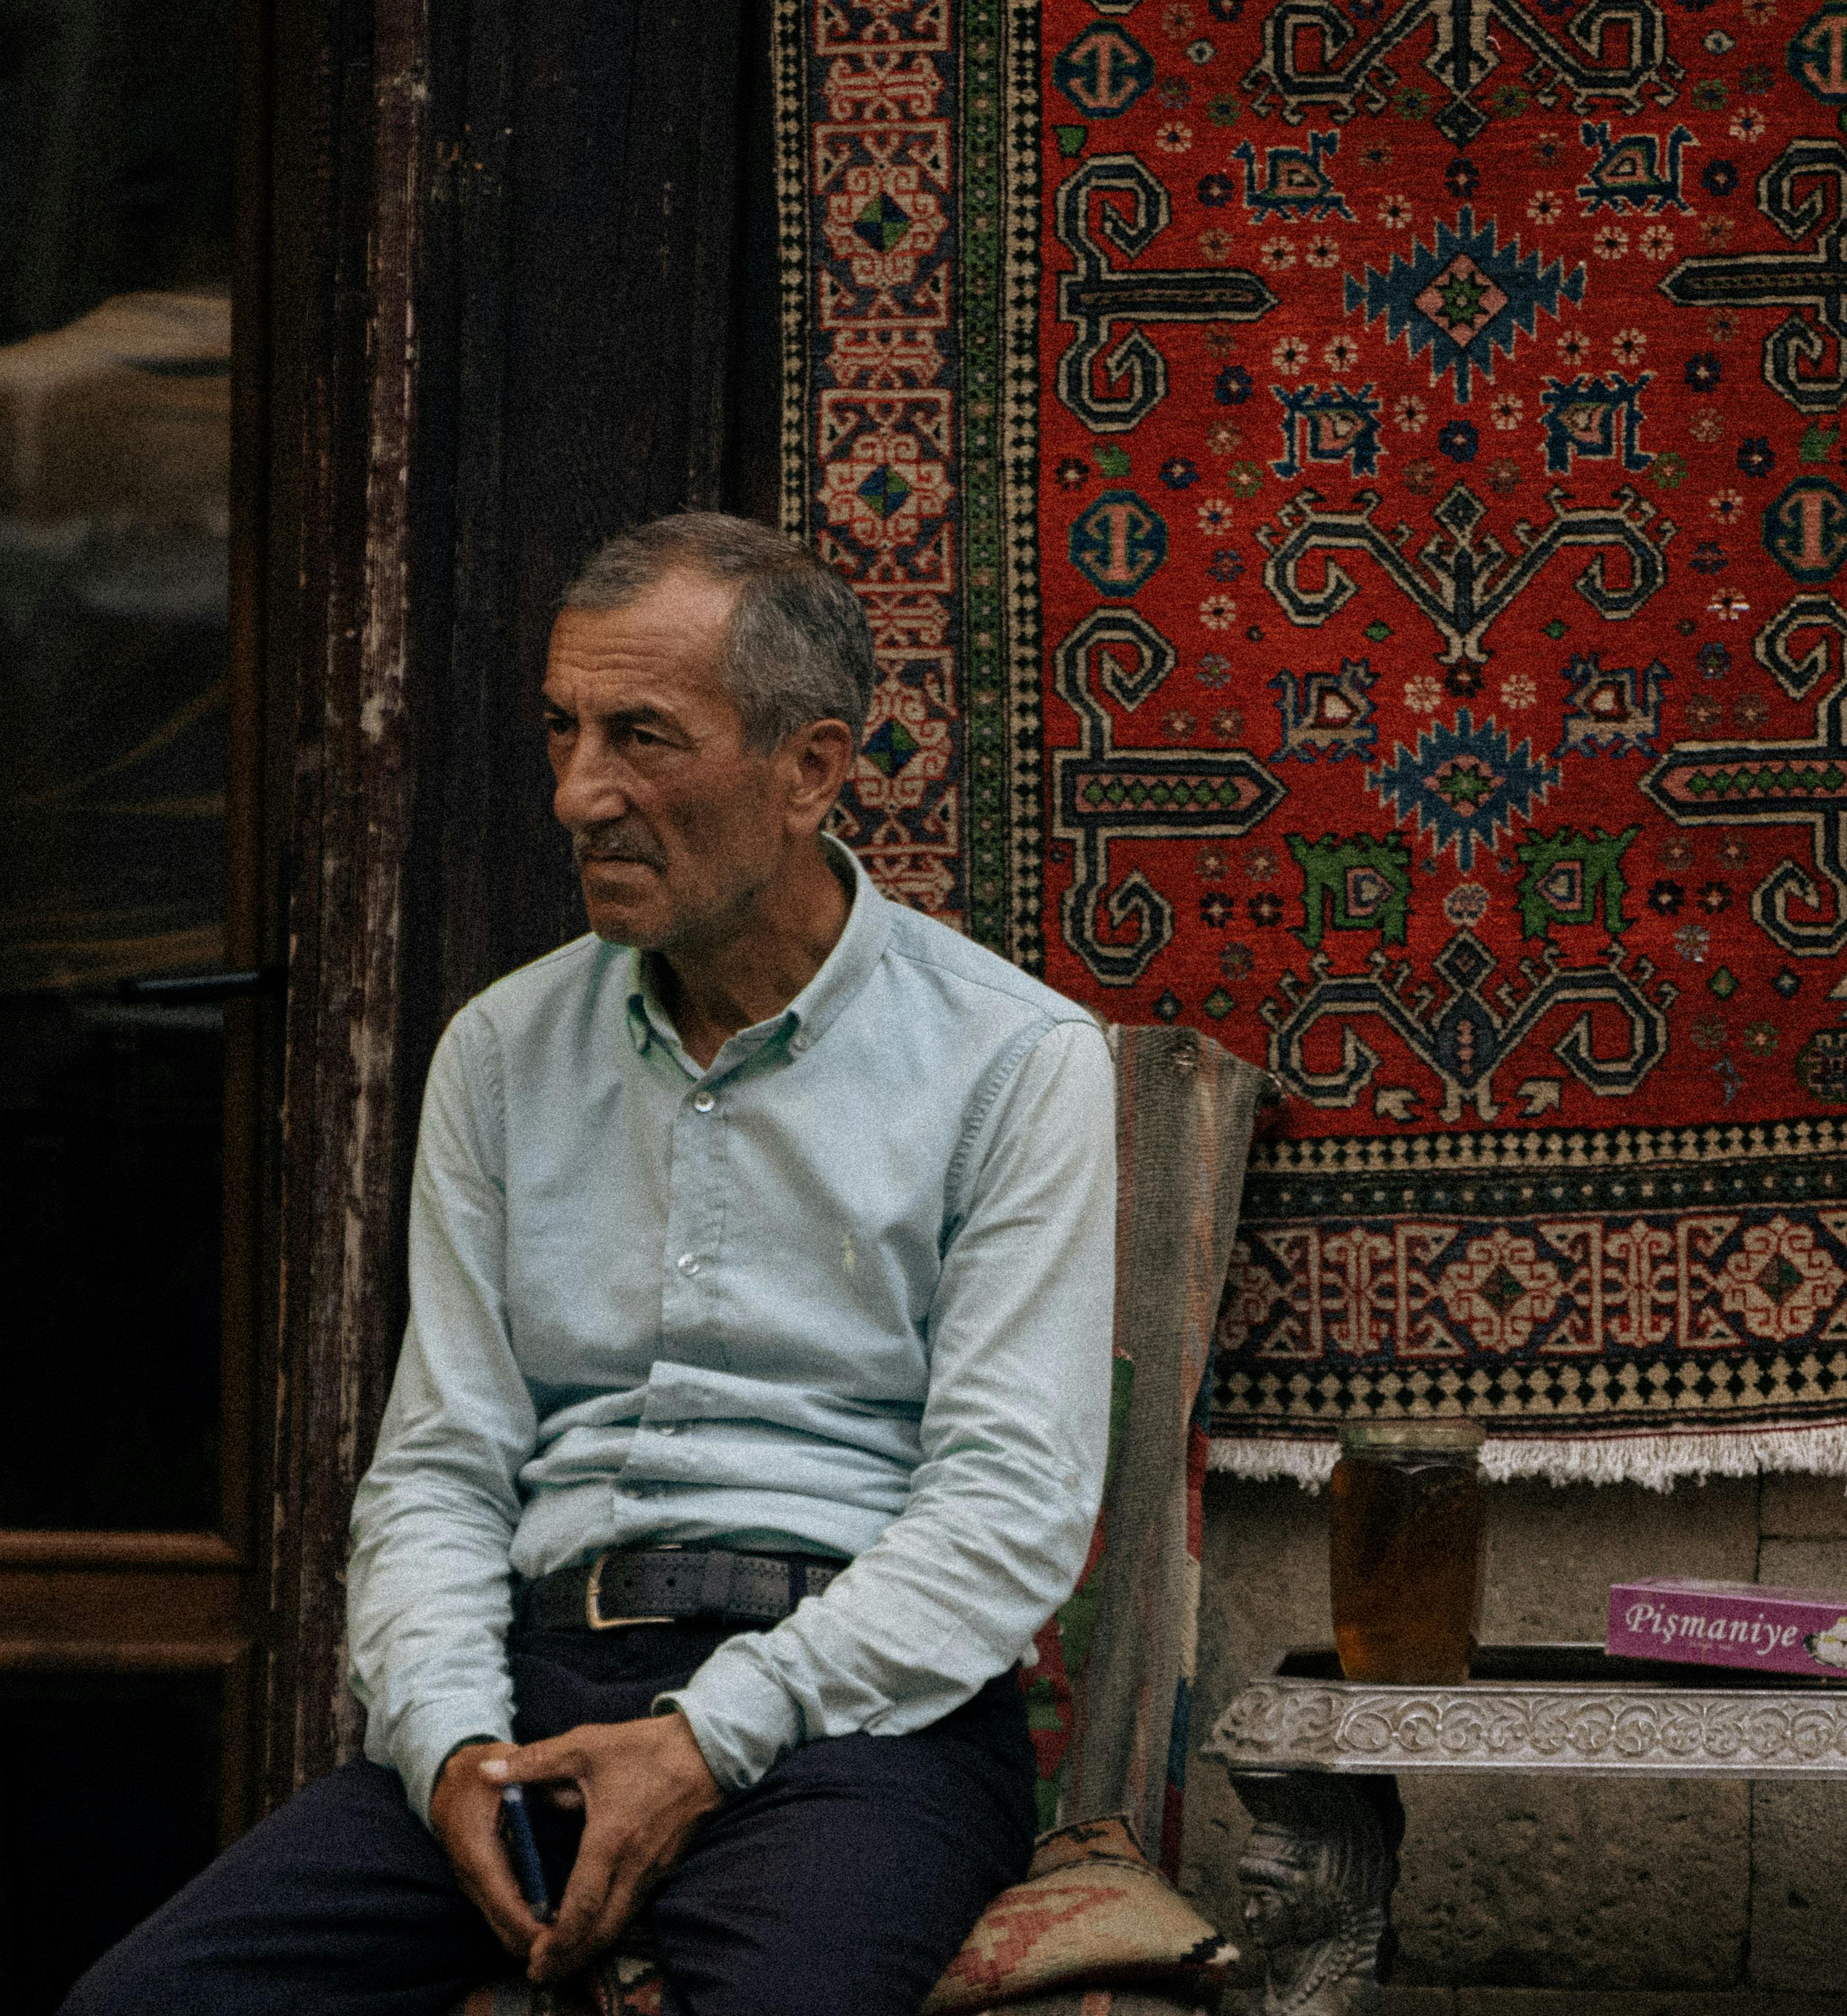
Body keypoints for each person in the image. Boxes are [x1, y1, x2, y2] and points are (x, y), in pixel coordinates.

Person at [69, 513, 1117, 2015]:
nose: (578, 794)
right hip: (538, 1698)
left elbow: (1006, 1513)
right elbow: (441, 1466)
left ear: (812, 768)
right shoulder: (502, 1052)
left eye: (643, 737)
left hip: (857, 1727)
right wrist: (449, 1747)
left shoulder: (1014, 1063)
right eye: (562, 730)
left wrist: (705, 1737)